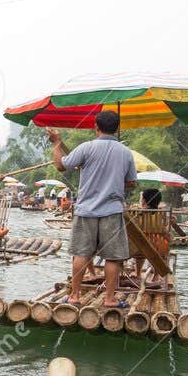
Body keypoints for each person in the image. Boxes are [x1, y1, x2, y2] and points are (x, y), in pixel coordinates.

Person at [48, 110, 136, 308]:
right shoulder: (125, 152)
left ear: (96, 127)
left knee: (81, 253)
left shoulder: (86, 148)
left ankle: (74, 296)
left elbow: (61, 165)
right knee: (113, 257)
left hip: (86, 210)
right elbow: (131, 183)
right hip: (112, 211)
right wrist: (114, 182)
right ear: (117, 128)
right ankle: (110, 299)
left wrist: (56, 143)